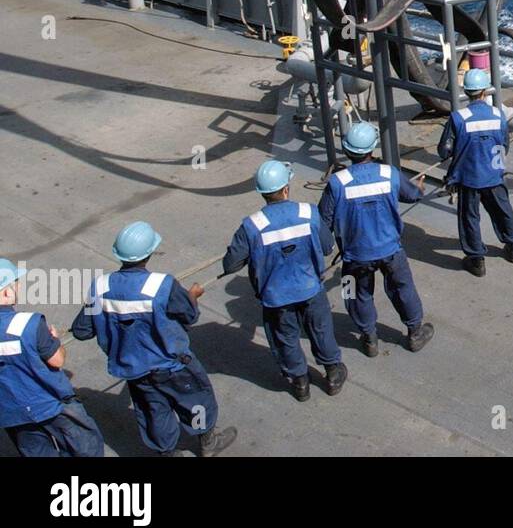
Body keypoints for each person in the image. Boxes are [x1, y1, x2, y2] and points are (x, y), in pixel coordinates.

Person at [71, 222, 237, 457]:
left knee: (153, 412)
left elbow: (82, 331)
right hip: (174, 365)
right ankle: (207, 442)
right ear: (149, 253)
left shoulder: (99, 287)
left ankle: (167, 454)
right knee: (197, 400)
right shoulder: (162, 285)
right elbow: (189, 315)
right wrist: (192, 296)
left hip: (135, 371)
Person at [224, 160, 347, 401]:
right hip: (311, 289)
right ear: (286, 189)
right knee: (320, 329)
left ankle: (300, 383)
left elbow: (231, 265)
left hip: (276, 297)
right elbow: (327, 247)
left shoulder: (251, 226)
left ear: (262, 193)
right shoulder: (308, 213)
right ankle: (332, 373)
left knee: (285, 337)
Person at [319, 122, 434, 356]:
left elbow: (324, 222)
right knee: (403, 287)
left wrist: (323, 249)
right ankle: (414, 332)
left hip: (354, 256)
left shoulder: (336, 183)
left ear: (347, 150)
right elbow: (411, 195)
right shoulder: (388, 173)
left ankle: (369, 337)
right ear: (373, 149)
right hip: (391, 250)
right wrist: (419, 187)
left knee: (352, 292)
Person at [0, 258, 104, 457]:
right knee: (86, 447)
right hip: (51, 404)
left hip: (12, 412)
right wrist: (55, 341)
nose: (19, 288)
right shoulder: (29, 324)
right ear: (6, 291)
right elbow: (57, 361)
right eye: (16, 284)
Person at [437, 68, 513, 277]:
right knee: (503, 211)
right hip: (494, 175)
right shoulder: (498, 115)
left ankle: (476, 260)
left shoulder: (458, 118)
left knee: (469, 219)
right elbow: (505, 144)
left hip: (468, 179)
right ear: (484, 91)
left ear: (467, 91)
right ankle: (512, 247)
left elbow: (444, 150)